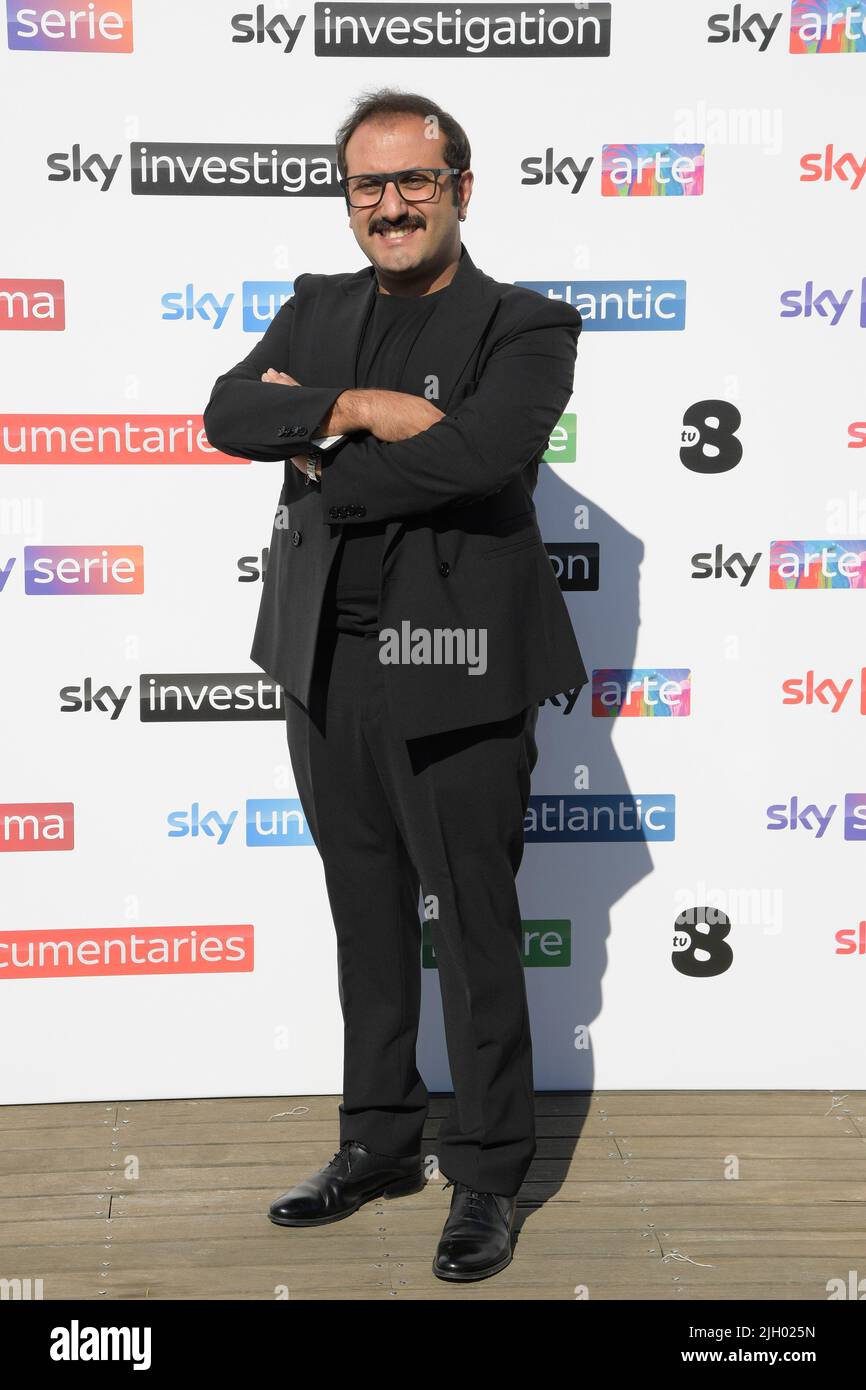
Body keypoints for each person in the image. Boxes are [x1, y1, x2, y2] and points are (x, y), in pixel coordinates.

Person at [203, 87, 588, 1283]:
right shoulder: (314, 311)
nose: (391, 204)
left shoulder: (524, 324)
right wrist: (364, 409)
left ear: (459, 190)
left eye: (414, 181)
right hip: (322, 661)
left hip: (459, 671)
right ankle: (374, 1144)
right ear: (348, 200)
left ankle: (484, 1176)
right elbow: (225, 413)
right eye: (368, 185)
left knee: (472, 928)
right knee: (363, 917)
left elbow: (484, 455)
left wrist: (318, 454)